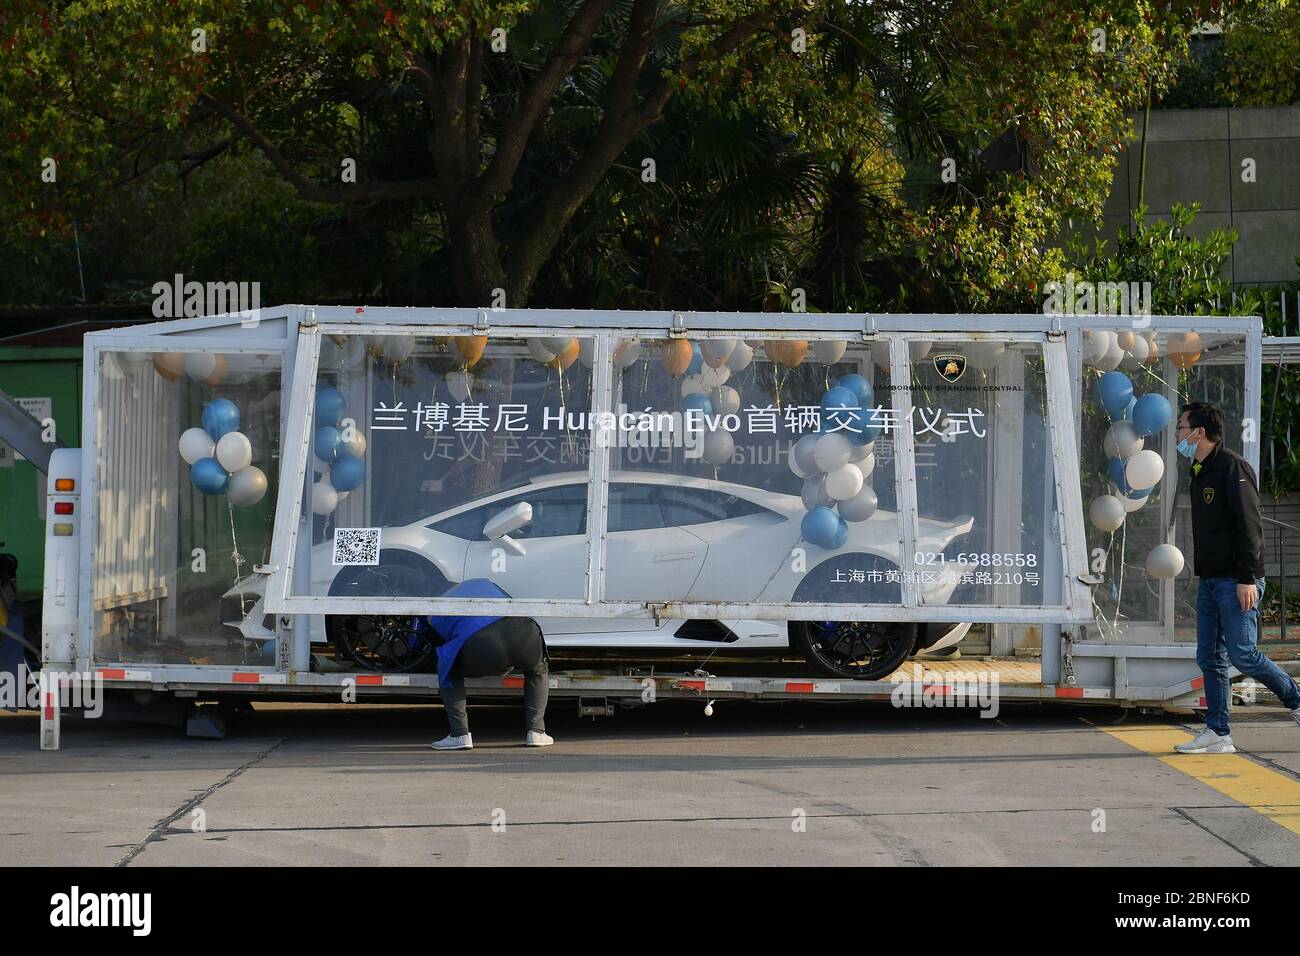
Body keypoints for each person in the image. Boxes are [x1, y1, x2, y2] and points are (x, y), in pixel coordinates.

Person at [1172, 402, 1300, 754]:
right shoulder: (1199, 470)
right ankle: (1218, 732)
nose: (1177, 435)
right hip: (1212, 580)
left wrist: (1247, 578)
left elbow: (1251, 528)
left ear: (1199, 432)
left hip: (1236, 580)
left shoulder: (1232, 468)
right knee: (1210, 656)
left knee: (1243, 654)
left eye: (1181, 428)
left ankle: (1296, 700)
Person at [425, 579, 552, 750]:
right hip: (523, 633)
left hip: (482, 645)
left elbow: (437, 640)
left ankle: (459, 734)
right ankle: (537, 731)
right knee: (538, 670)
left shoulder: (432, 606)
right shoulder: (484, 582)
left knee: (448, 669)